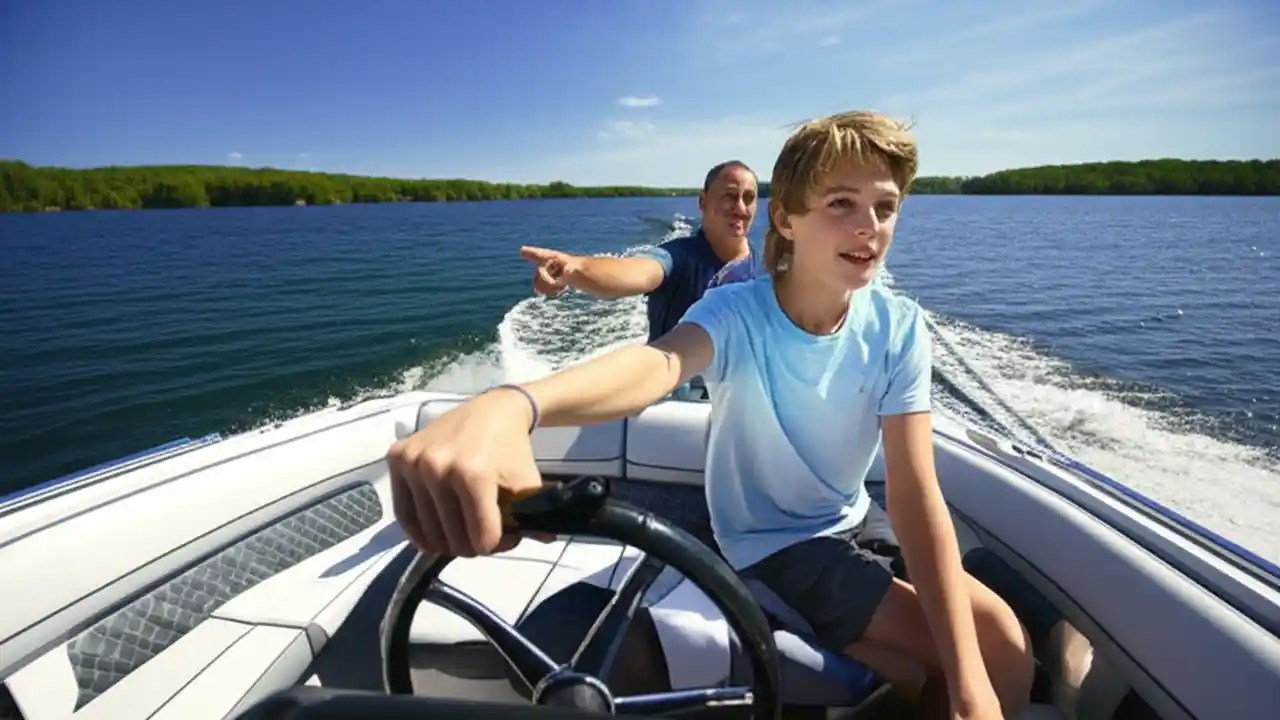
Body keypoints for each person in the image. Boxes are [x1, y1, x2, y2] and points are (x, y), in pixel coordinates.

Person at [386, 110, 1034, 719]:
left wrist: (969, 679)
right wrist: (515, 404)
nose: (870, 226)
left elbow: (917, 491)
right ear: (787, 219)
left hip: (855, 521)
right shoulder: (736, 311)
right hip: (777, 545)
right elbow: (659, 365)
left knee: (998, 650)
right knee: (991, 655)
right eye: (842, 204)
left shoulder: (899, 328)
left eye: (885, 207)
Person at [519, 160, 759, 342]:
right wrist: (570, 270)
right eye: (729, 196)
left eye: (748, 198)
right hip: (675, 397)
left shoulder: (768, 268)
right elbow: (632, 272)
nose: (740, 208)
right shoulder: (677, 257)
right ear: (703, 203)